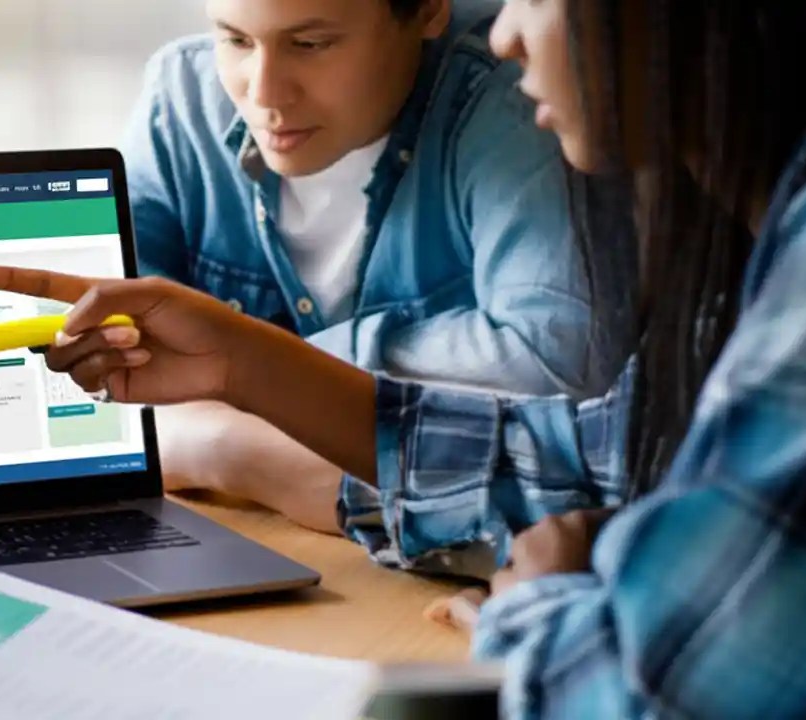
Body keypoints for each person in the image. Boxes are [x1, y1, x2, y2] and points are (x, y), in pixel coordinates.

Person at [0, 0, 806, 714]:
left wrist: (542, 604)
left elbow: (637, 700)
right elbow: (597, 455)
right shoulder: (792, 239)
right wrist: (247, 368)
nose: (513, 32)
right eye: (234, 38)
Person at [122, 0, 634, 533]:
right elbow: (117, 356)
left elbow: (561, 360)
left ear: (430, 8)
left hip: (420, 549)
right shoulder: (182, 98)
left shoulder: (524, 97)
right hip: (267, 529)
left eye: (310, 44)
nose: (264, 92)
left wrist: (242, 399)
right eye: (235, 40)